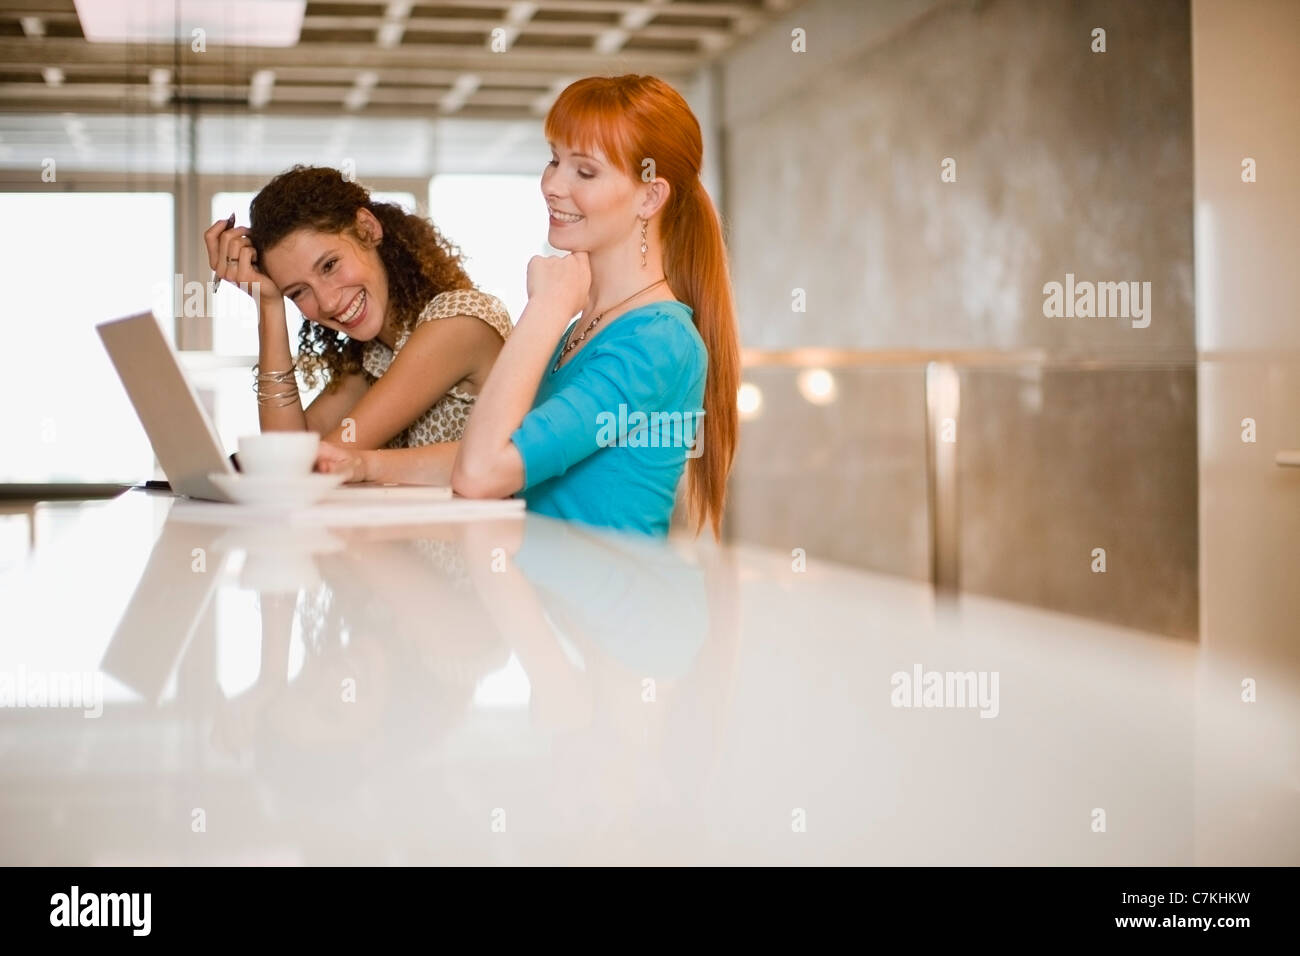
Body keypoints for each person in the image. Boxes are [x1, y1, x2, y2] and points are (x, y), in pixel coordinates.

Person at [349, 75, 740, 538]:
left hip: (613, 609)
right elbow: (505, 453)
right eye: (554, 160)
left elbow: (481, 475)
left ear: (650, 196)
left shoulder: (657, 340)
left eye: (585, 171)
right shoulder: (584, 327)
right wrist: (362, 462)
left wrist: (546, 308)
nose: (553, 185)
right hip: (557, 596)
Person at [203, 165, 510, 484]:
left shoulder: (457, 324)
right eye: (297, 292)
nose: (327, 302)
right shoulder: (377, 354)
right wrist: (268, 304)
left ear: (367, 228)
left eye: (330, 265)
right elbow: (290, 450)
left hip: (498, 534)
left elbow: (300, 470)